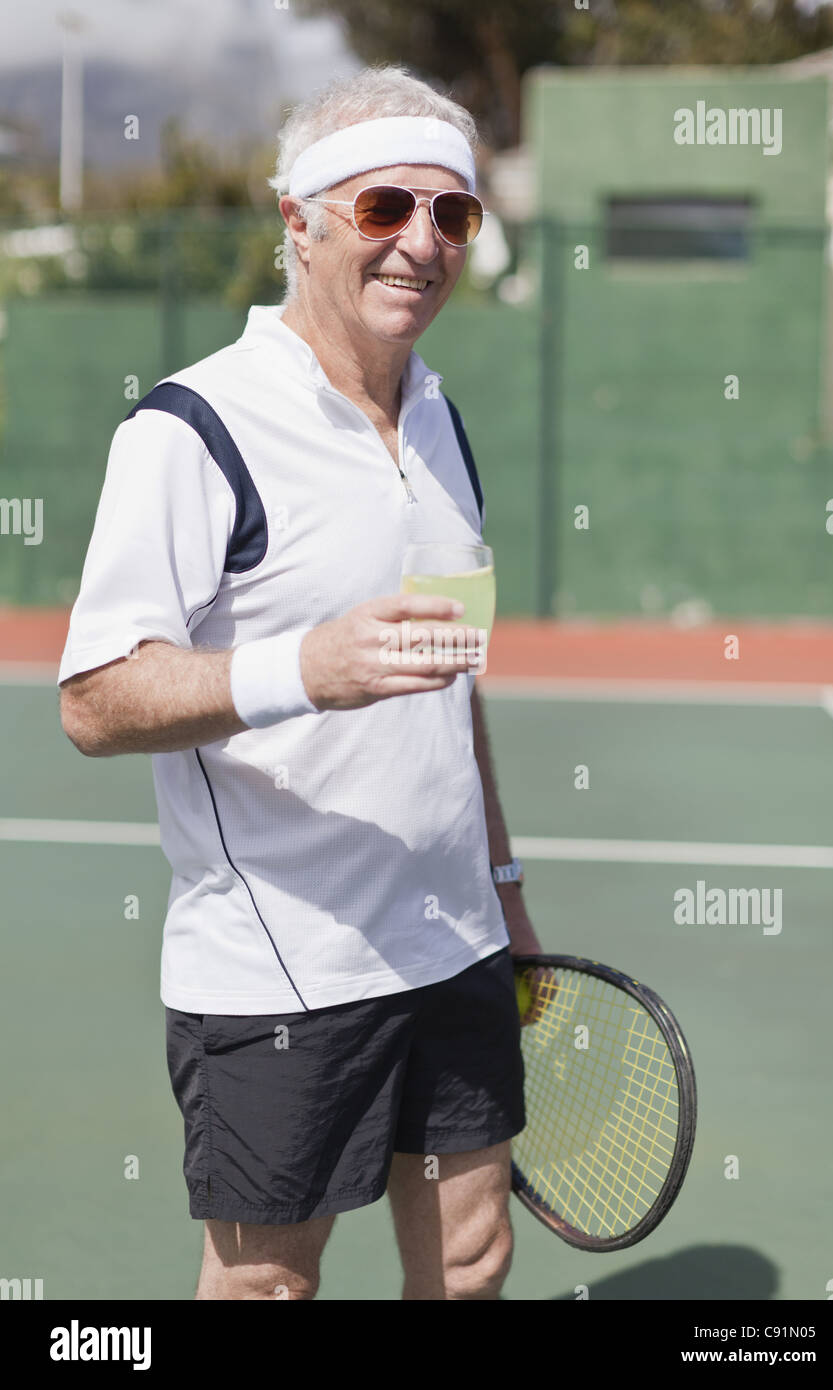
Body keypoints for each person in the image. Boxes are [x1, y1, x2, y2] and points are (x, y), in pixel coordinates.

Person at [58, 65, 542, 1301]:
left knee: (474, 1255)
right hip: (280, 967)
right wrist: (301, 669)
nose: (421, 245)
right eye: (385, 207)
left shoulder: (437, 418)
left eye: (453, 216)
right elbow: (95, 698)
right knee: (267, 1286)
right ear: (299, 221)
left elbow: (452, 681)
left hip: (452, 940)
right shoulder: (191, 428)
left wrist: (504, 888)